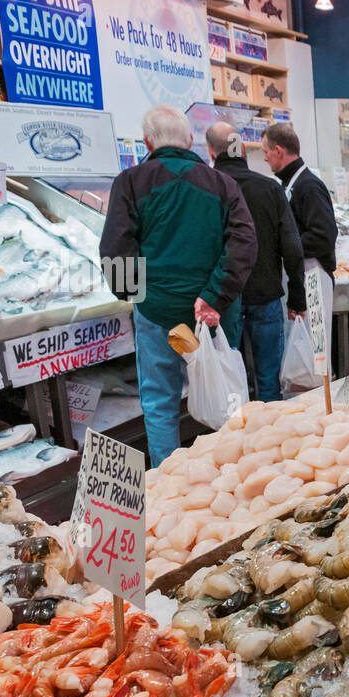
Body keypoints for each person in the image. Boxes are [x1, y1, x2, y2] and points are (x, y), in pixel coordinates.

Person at [100, 105, 256, 467]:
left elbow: (115, 246)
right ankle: (233, 473)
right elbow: (245, 242)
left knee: (160, 401)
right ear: (189, 140)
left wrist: (131, 294)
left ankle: (169, 485)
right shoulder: (222, 183)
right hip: (215, 315)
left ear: (147, 142)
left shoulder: (131, 181)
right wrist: (214, 295)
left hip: (158, 313)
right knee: (226, 394)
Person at [206, 121, 305, 403]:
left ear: (212, 154)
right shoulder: (270, 189)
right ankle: (271, 441)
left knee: (229, 382)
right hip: (266, 297)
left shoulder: (206, 189)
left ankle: (236, 441)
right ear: (243, 152)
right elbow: (293, 247)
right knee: (268, 380)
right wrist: (297, 298)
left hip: (224, 300)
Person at [261, 123, 337, 279]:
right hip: (300, 273)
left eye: (266, 152)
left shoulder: (309, 186)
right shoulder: (288, 182)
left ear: (278, 151)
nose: (264, 158)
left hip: (315, 276)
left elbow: (323, 236)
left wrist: (283, 245)